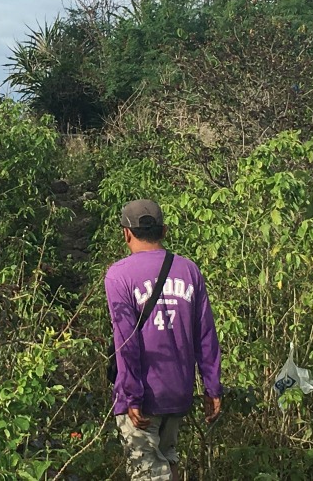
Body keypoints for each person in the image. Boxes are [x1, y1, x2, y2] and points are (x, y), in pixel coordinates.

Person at [105, 199, 223, 481]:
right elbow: (205, 334)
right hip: (177, 391)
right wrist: (212, 387)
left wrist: (131, 395)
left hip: (142, 398)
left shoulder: (119, 274)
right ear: (164, 230)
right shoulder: (189, 270)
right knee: (168, 463)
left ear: (126, 233)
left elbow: (126, 342)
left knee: (148, 473)